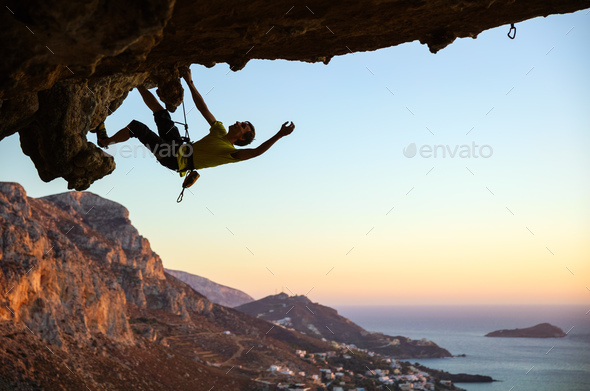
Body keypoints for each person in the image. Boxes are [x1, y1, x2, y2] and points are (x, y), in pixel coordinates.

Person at [91, 67, 295, 174]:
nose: (238, 122)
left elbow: (257, 152)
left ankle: (104, 141)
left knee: (137, 127)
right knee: (161, 113)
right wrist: (189, 82)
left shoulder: (230, 153)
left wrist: (279, 134)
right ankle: (136, 83)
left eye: (243, 126)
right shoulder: (220, 131)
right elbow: (203, 108)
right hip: (180, 145)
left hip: (174, 160)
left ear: (242, 138)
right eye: (242, 122)